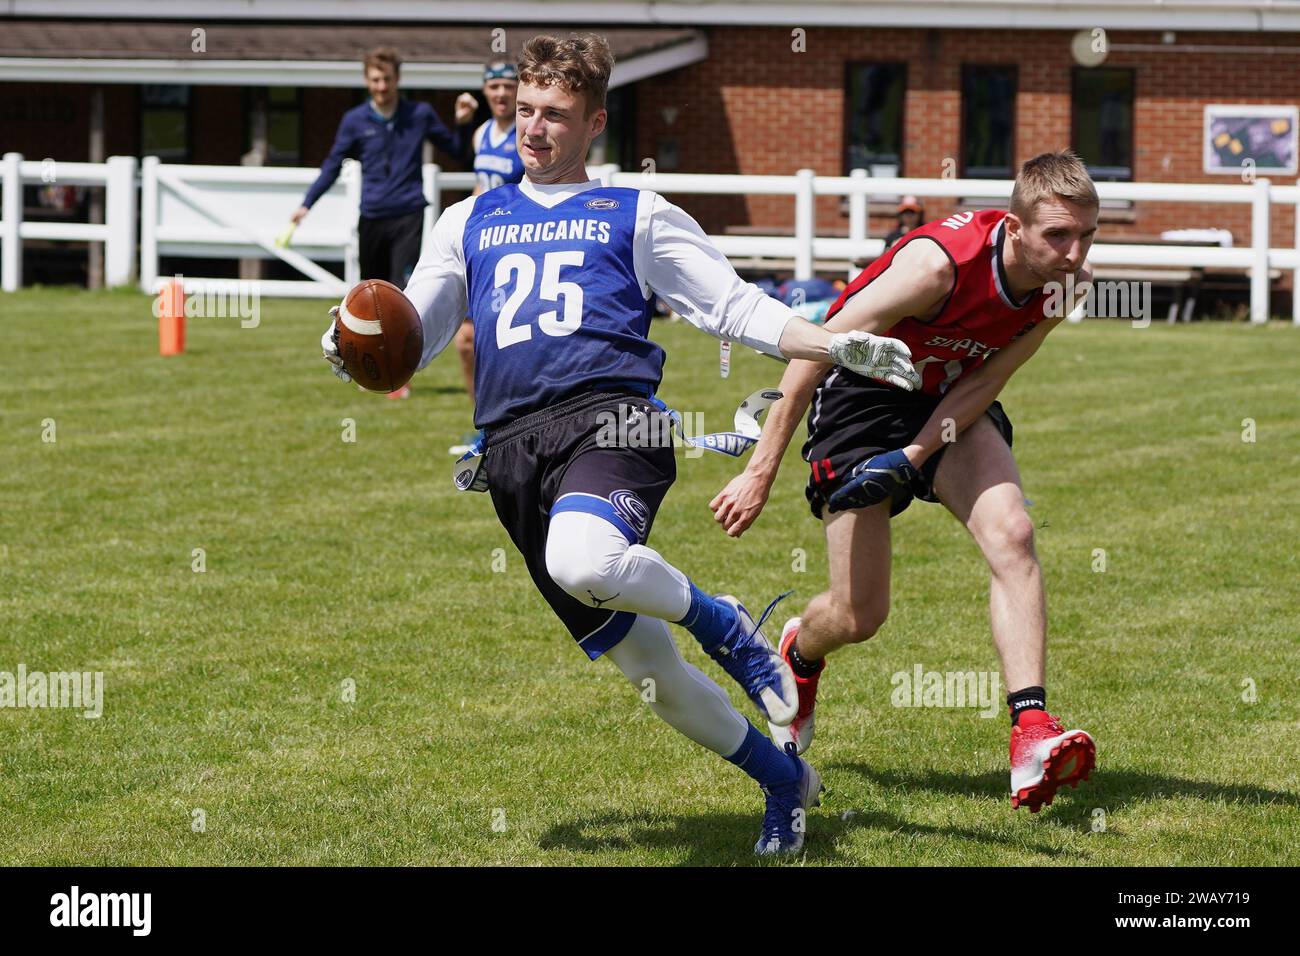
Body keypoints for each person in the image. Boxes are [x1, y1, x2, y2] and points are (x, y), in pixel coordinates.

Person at [322, 33, 921, 855]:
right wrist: (353, 344)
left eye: (555, 115)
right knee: (653, 677)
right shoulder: (468, 221)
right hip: (512, 454)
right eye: (526, 111)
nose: (534, 130)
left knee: (584, 560)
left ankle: (727, 624)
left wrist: (834, 345)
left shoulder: (634, 212)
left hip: (614, 423)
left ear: (594, 122)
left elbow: (733, 308)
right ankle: (785, 782)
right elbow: (415, 334)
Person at [710, 150, 1099, 813]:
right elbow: (817, 345)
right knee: (861, 615)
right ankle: (799, 656)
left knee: (1014, 532)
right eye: (1057, 235)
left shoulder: (1067, 285)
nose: (1074, 253)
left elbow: (987, 379)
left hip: (948, 403)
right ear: (1014, 225)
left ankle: (1032, 732)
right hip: (859, 398)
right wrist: (761, 467)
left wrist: (916, 455)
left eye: (1086, 234)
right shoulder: (936, 267)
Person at [294, 46, 475, 398]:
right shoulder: (355, 121)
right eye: (375, 80)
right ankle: (364, 364)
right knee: (367, 296)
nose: (381, 86)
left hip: (407, 213)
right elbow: (333, 163)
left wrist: (463, 123)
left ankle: (398, 374)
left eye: (387, 79)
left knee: (396, 293)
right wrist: (307, 204)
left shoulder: (418, 115)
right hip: (372, 215)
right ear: (366, 81)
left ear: (397, 79)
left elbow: (458, 152)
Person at [449, 63, 527, 450]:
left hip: (518, 249)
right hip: (483, 245)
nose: (500, 94)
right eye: (493, 86)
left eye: (508, 86)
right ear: (484, 91)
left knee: (509, 340)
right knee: (466, 341)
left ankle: (515, 424)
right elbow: (482, 185)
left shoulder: (529, 134)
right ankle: (483, 422)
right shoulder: (481, 133)